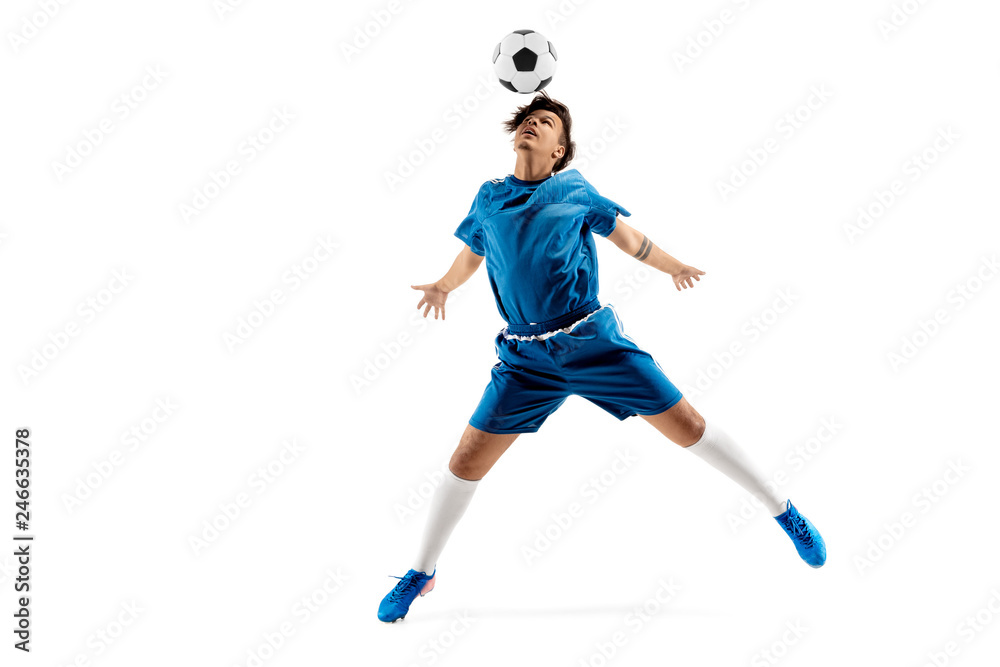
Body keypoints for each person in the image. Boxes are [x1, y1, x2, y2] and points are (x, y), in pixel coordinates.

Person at [378, 90, 825, 623]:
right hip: (524, 358)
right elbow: (473, 251)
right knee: (466, 459)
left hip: (592, 342)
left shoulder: (573, 188)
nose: (532, 126)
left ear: (559, 151)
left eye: (545, 124)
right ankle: (422, 571)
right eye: (528, 120)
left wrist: (675, 266)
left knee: (687, 424)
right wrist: (444, 286)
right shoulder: (489, 197)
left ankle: (783, 510)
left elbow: (629, 237)